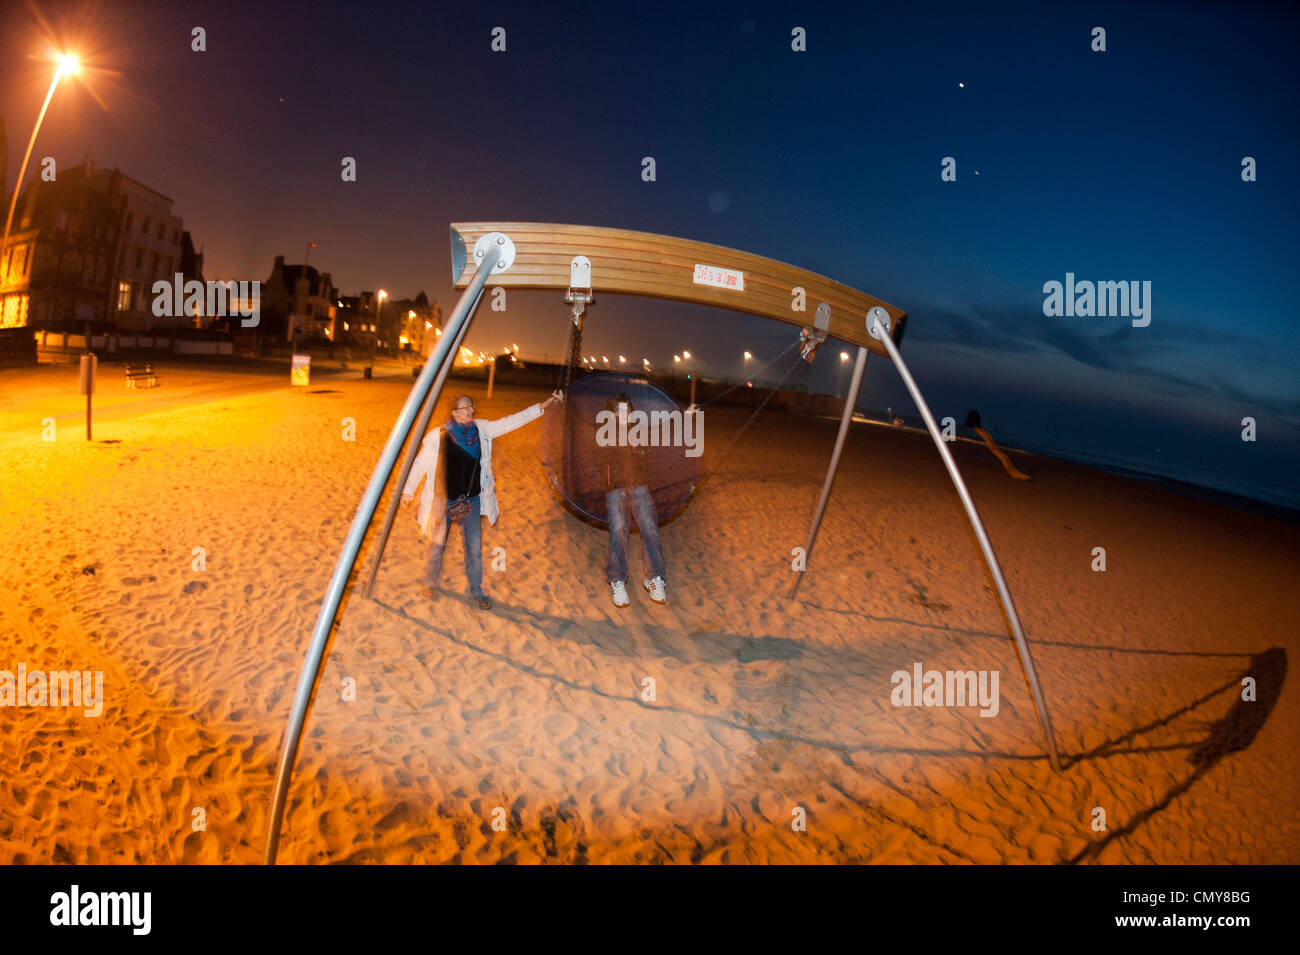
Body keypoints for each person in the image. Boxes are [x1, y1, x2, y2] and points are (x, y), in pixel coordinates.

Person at [401, 391, 561, 609]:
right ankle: (429, 582)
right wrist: (408, 491)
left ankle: (478, 590)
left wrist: (540, 408)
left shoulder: (481, 430)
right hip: (441, 501)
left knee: (474, 548)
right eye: (467, 408)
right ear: (456, 412)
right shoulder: (438, 435)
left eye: (472, 407)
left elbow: (509, 423)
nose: (472, 411)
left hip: (470, 501)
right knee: (437, 545)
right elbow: (420, 463)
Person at [597, 394, 667, 608]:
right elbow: (602, 458)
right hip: (615, 489)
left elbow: (663, 430)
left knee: (649, 528)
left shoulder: (640, 432)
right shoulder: (604, 433)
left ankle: (654, 578)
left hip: (639, 486)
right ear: (612, 414)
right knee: (619, 530)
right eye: (619, 410)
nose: (624, 414)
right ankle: (617, 580)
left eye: (627, 410)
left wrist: (686, 415)